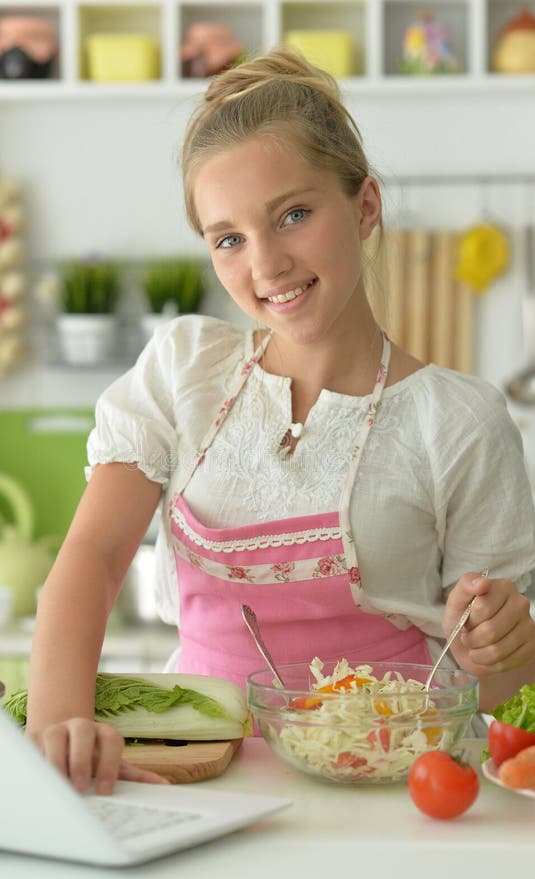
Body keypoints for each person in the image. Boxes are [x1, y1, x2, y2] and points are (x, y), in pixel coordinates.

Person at [26, 48, 535, 795]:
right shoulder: (183, 371)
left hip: (390, 789)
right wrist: (57, 725)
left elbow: (494, 681)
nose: (264, 264)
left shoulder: (455, 420)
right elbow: (96, 554)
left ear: (364, 206)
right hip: (198, 776)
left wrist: (502, 646)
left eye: (293, 215)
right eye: (228, 238)